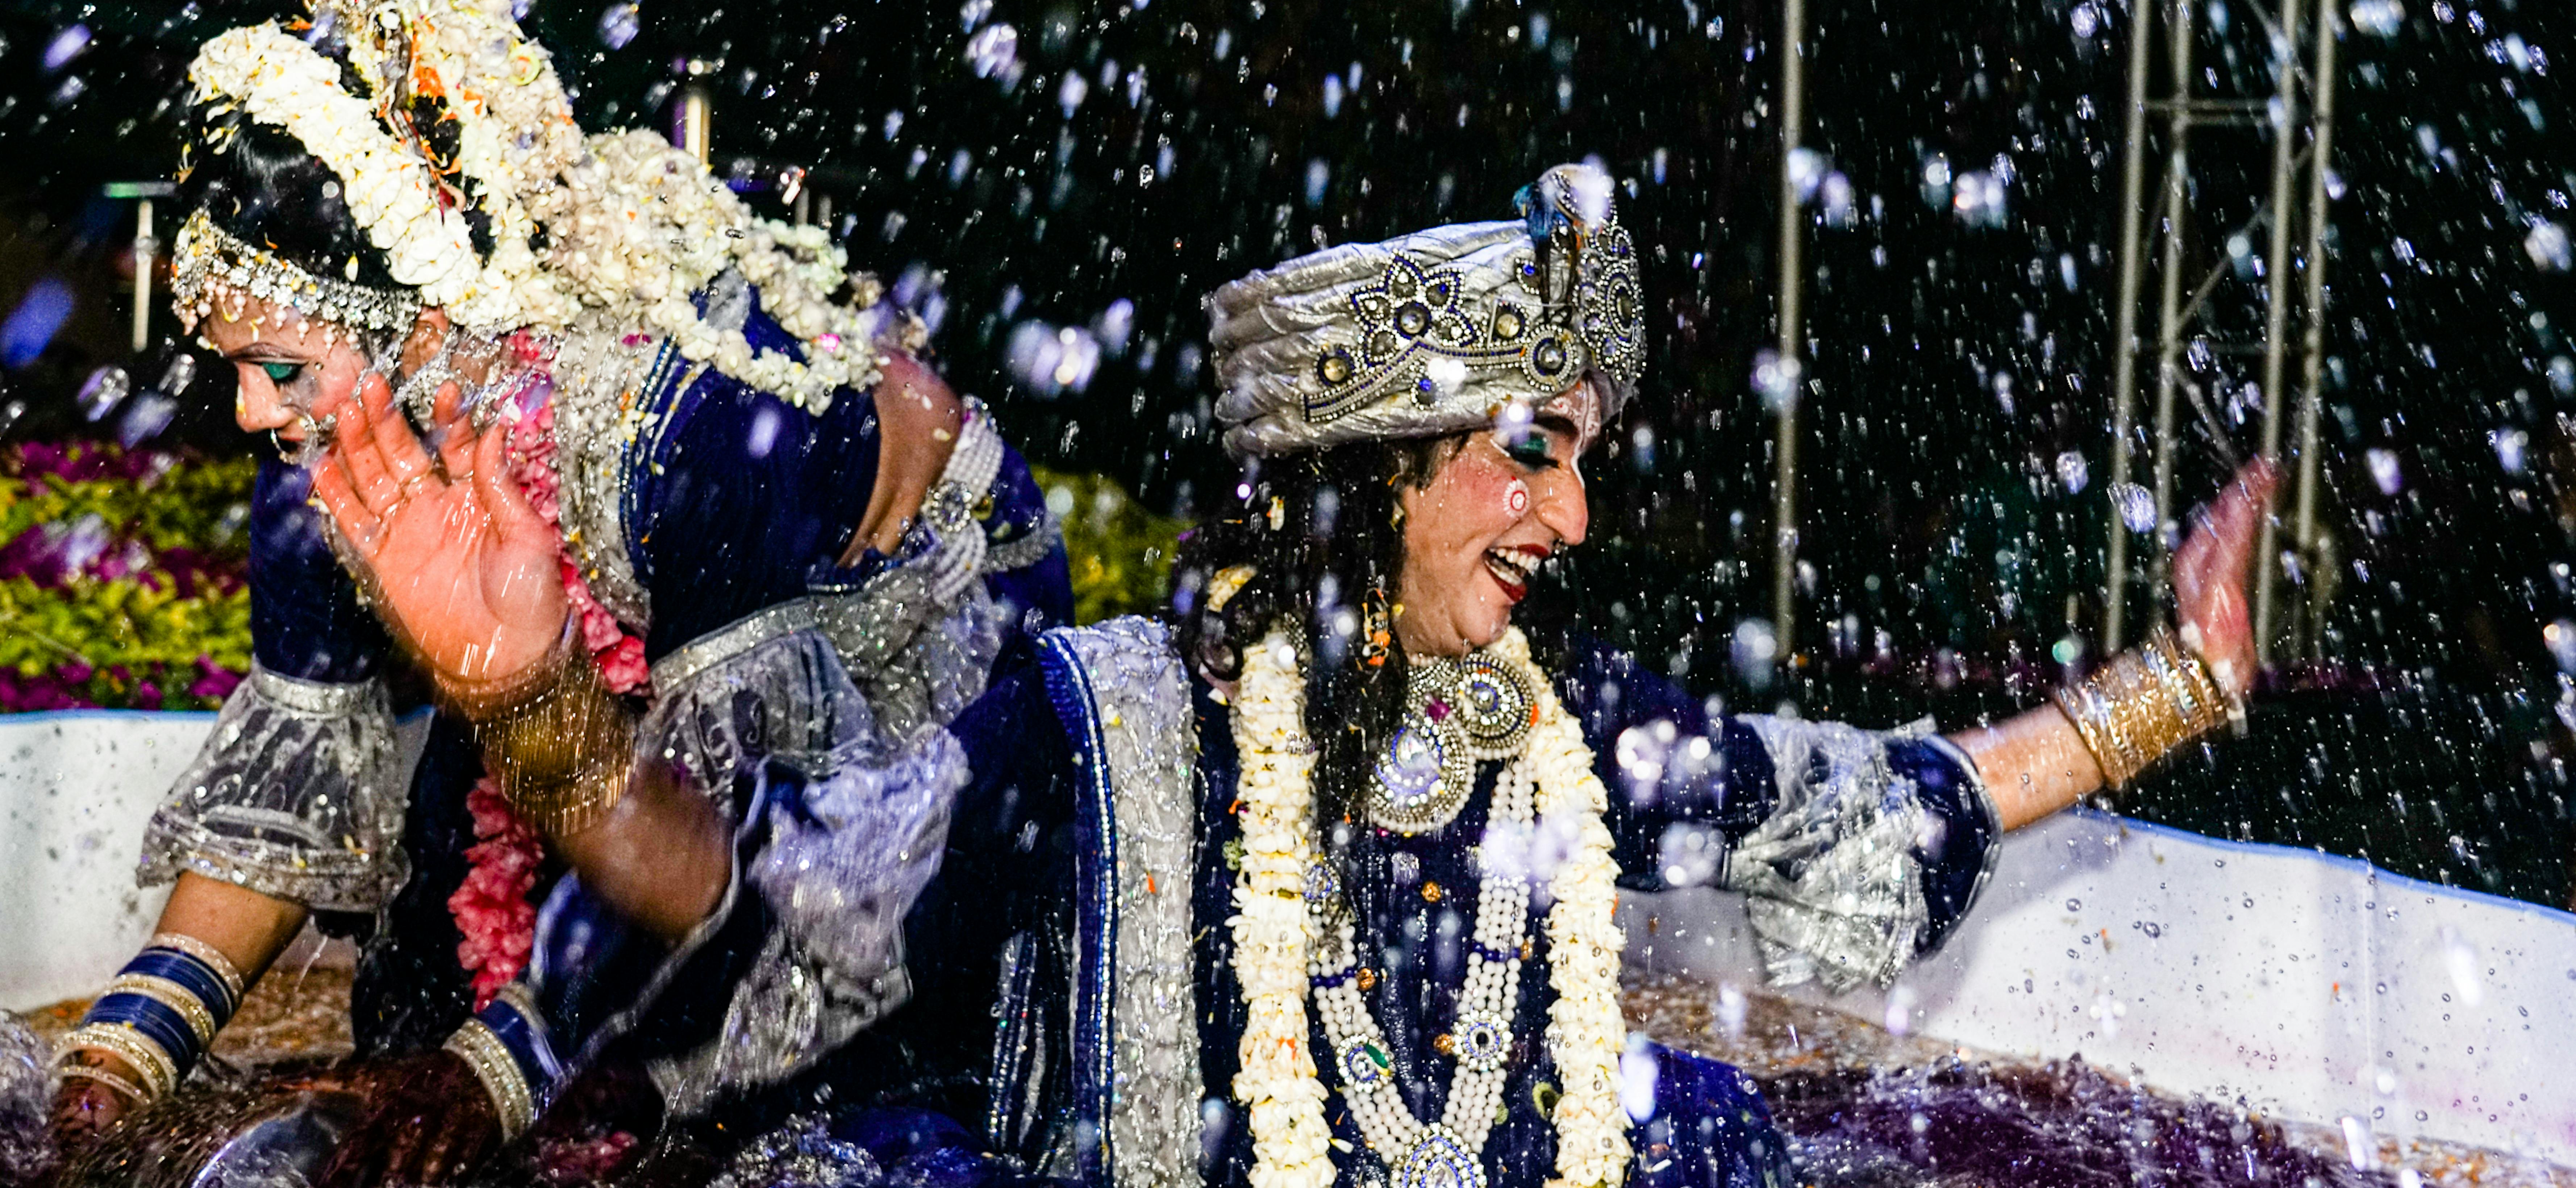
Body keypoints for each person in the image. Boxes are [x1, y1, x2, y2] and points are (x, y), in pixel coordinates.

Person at [289, 162, 2261, 1187]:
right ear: (1370, 476)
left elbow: (1836, 802)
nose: (1562, 523)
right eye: (1525, 453)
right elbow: (746, 892)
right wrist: (533, 701)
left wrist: (2174, 680)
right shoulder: (1088, 721)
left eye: (1572, 461)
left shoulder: (1553, 737)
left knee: (1709, 1134)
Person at [46, 0, 1072, 1183]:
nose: (247, 412)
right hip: (594, 749)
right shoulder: (332, 441)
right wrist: (116, 1059)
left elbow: (737, 861)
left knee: (797, 1116)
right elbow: (286, 796)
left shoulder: (683, 425)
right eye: (231, 366)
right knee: (414, 1001)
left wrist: (500, 1067)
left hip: (870, 762)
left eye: (277, 367)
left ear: (423, 321)